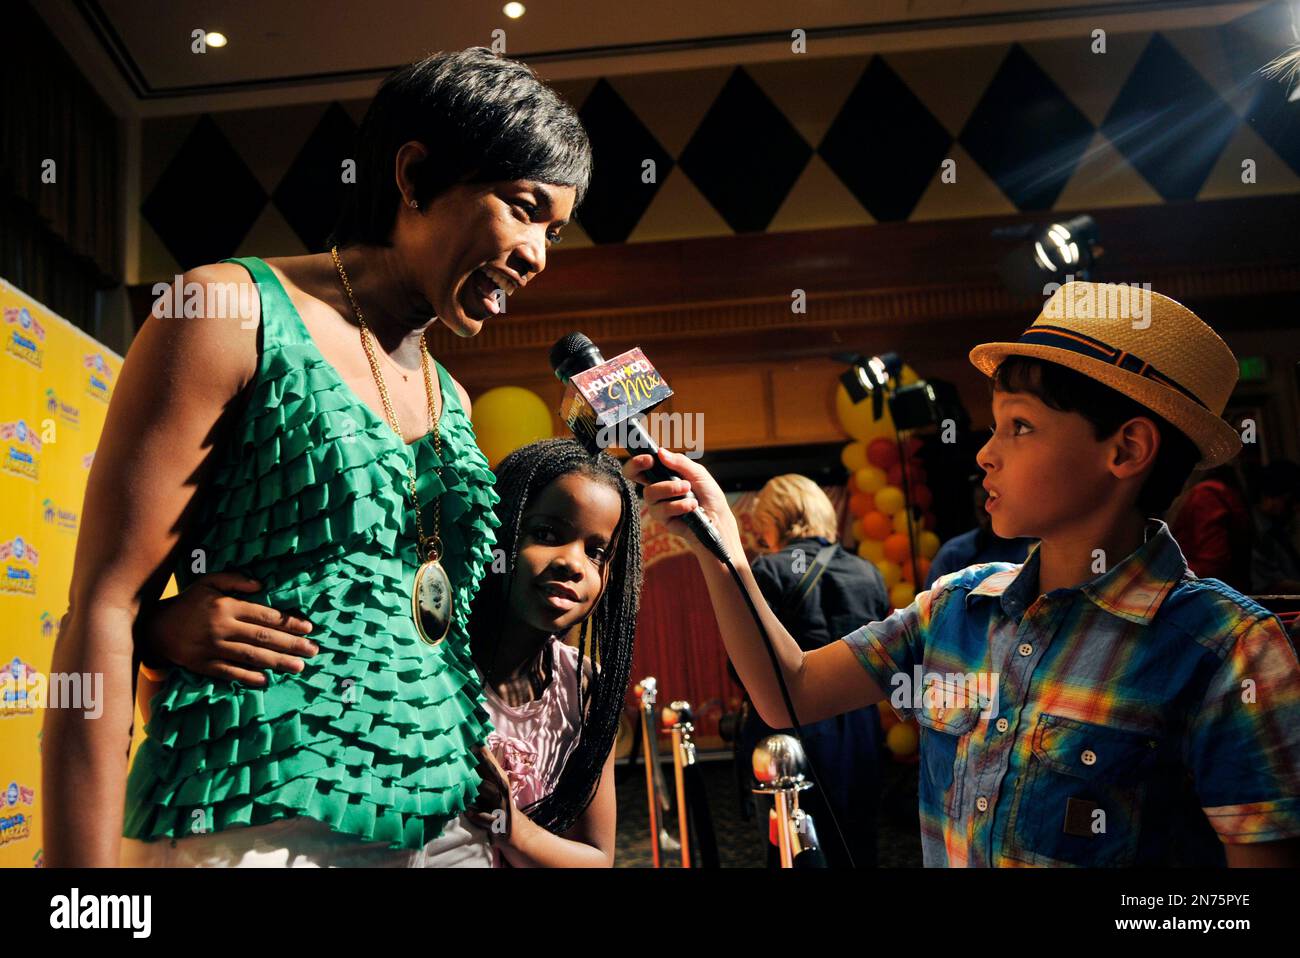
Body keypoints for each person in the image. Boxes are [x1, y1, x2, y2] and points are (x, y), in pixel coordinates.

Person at [45, 47, 590, 867]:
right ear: (413, 177)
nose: (538, 254)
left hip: (446, 824)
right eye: (522, 208)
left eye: (553, 231)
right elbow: (103, 610)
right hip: (259, 815)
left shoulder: (453, 395)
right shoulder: (225, 311)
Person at [626, 282, 1300, 867]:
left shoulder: (1228, 650)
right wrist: (722, 550)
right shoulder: (956, 606)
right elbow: (789, 691)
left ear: (1125, 448)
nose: (985, 454)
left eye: (1021, 428)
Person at [136, 439, 642, 867]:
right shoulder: (423, 655)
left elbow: (597, 856)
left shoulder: (583, 686)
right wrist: (161, 636)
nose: (573, 563)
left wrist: (513, 826)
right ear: (498, 531)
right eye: (547, 534)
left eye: (595, 551)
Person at [740, 474, 887, 867]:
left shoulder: (767, 571)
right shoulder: (867, 572)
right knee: (857, 843)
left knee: (791, 844)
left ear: (776, 518)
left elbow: (744, 668)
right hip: (859, 728)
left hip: (789, 728)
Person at [924, 478, 1034, 589]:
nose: (989, 518)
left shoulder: (1040, 547)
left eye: (997, 508)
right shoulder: (952, 555)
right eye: (982, 510)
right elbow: (930, 604)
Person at [1168, 463, 1253, 592]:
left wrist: (1166, 573)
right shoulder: (1220, 491)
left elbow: (1213, 564)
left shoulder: (1207, 494)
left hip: (1208, 596)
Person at [1250, 459, 1300, 595]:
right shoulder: (1258, 532)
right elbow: (1272, 585)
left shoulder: (1277, 528)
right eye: (1289, 501)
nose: (1296, 508)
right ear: (1268, 497)